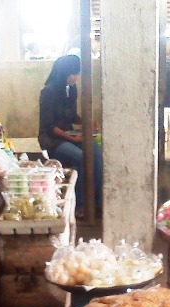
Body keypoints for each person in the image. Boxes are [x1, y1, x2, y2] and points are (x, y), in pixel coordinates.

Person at [38, 54, 103, 218]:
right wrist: (74, 139)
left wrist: (88, 123)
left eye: (77, 74)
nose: (76, 77)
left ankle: (96, 201)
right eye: (74, 73)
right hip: (52, 140)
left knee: (96, 153)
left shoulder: (71, 89)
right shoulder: (48, 92)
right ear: (64, 73)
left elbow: (73, 116)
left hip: (69, 134)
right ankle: (79, 206)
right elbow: (50, 126)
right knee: (81, 157)